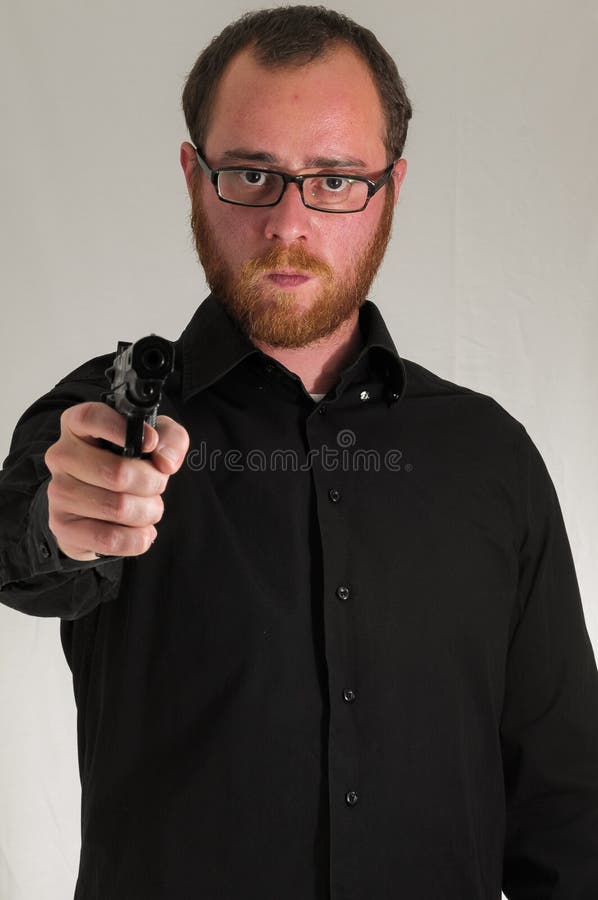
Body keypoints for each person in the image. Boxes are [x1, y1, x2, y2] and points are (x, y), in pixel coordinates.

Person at [1, 5, 597, 899]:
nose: (289, 223)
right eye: (251, 173)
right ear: (194, 177)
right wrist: (64, 525)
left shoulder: (490, 456)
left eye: (333, 179)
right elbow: (24, 549)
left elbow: (566, 807)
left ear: (390, 188)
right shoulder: (104, 417)